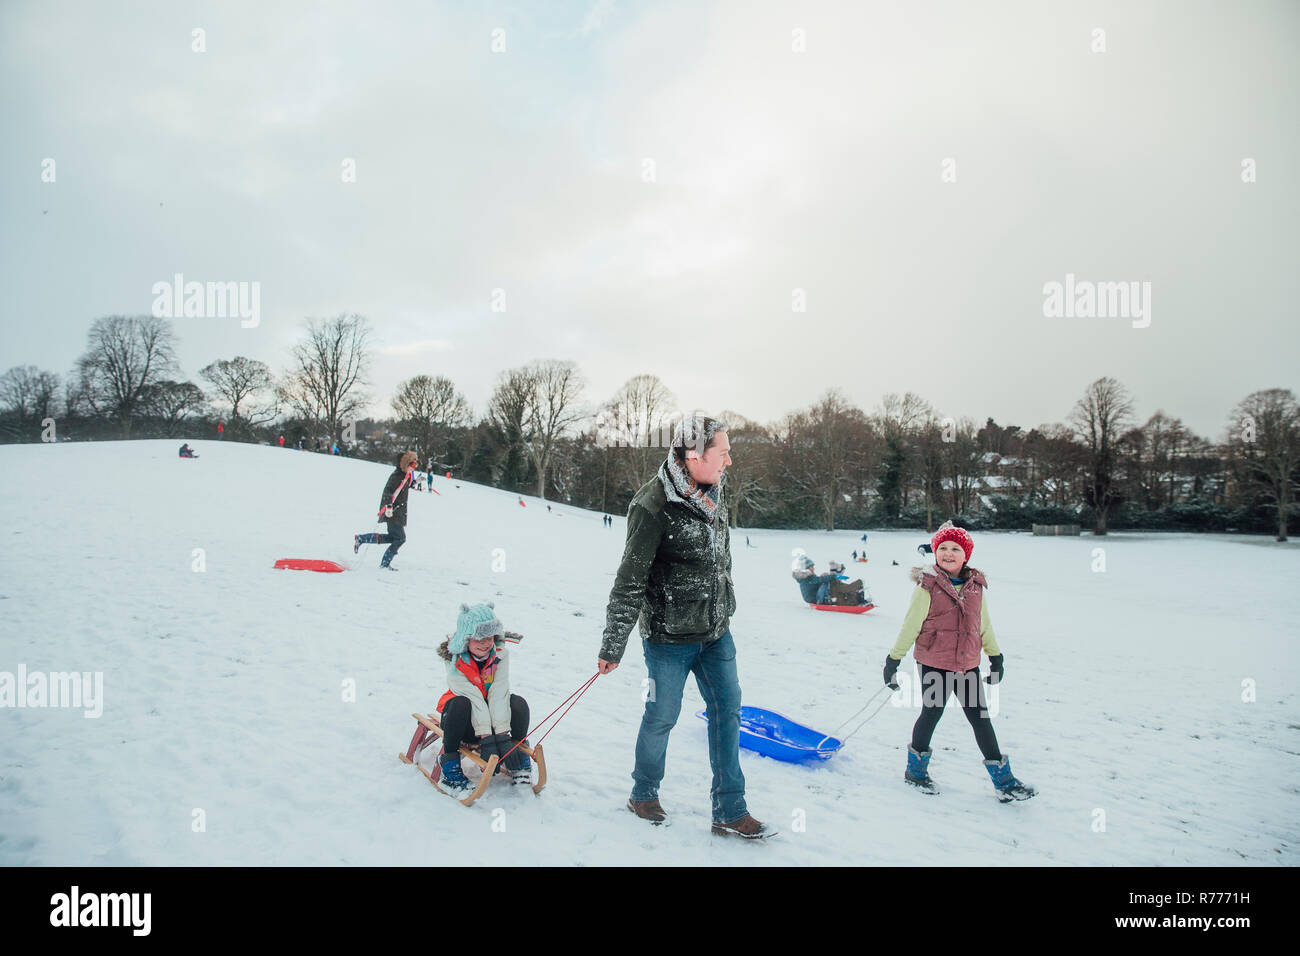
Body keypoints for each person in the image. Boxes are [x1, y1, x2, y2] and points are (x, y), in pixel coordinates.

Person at [597, 415, 772, 840]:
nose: (730, 460)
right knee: (662, 715)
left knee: (727, 713)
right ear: (694, 456)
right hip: (667, 637)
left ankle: (730, 809)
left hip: (715, 632)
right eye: (723, 452)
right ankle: (643, 792)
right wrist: (612, 645)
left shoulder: (716, 490)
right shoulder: (652, 505)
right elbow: (630, 580)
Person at [882, 521, 1035, 801]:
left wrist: (995, 657)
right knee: (932, 713)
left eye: (955, 548)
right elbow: (910, 626)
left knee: (981, 719)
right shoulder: (926, 587)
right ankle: (915, 772)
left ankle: (1005, 782)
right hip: (934, 663)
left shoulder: (976, 586)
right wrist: (893, 660)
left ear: (966, 555)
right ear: (935, 552)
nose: (948, 553)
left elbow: (983, 625)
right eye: (942, 548)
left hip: (967, 664)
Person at [434, 602, 532, 790]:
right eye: (479, 638)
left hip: (492, 718)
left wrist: (502, 737)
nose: (486, 643)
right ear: (465, 639)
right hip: (464, 722)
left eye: (489, 637)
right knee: (460, 703)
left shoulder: (500, 656)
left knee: (517, 703)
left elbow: (498, 692)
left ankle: (519, 757)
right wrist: (487, 739)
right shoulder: (455, 663)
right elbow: (474, 698)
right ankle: (450, 765)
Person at [354, 450, 417, 569]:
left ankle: (362, 538)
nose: (415, 467)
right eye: (413, 464)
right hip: (393, 512)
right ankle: (385, 564)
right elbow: (387, 491)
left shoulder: (404, 475)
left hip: (398, 512)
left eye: (416, 465)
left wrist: (413, 483)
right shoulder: (397, 476)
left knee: (392, 538)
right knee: (400, 538)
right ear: (405, 464)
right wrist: (388, 506)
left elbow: (404, 486)